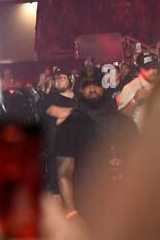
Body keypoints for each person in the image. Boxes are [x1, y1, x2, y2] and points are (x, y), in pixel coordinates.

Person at [53, 70, 137, 224]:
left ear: (104, 86)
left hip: (125, 203)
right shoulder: (70, 125)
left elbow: (140, 162)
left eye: (96, 84)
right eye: (86, 85)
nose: (92, 89)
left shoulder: (125, 123)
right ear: (79, 89)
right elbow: (64, 172)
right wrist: (71, 212)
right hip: (88, 204)